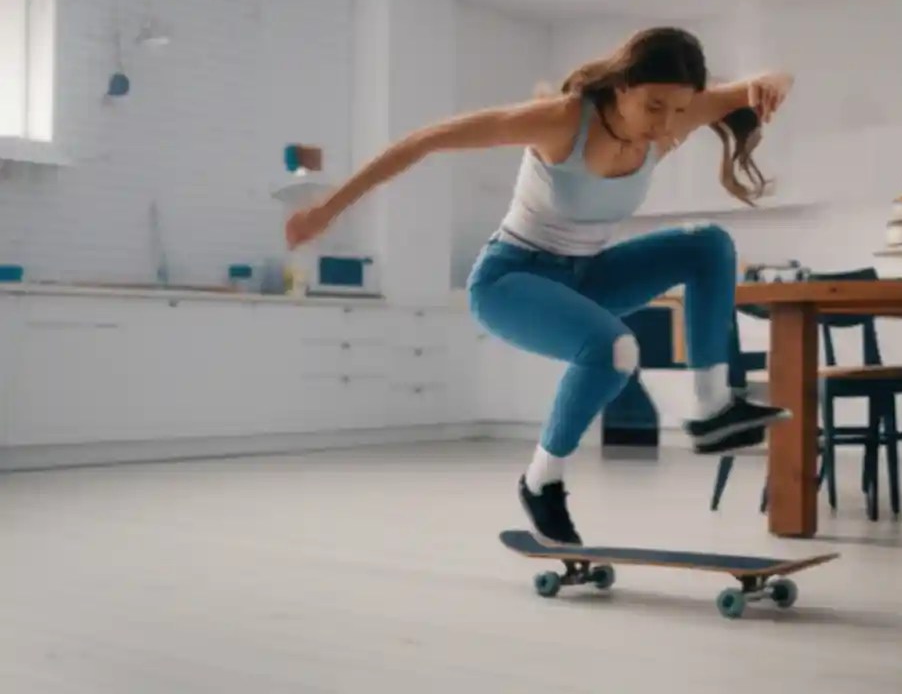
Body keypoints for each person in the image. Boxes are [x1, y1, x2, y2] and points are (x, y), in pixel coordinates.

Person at [285, 27, 793, 546]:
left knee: (708, 243)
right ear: (621, 87)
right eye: (653, 107)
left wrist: (771, 81)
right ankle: (541, 480)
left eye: (677, 111)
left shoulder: (672, 115)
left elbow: (771, 81)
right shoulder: (561, 121)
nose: (664, 125)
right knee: (615, 349)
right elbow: (425, 141)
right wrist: (328, 210)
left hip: (585, 275)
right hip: (512, 279)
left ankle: (710, 409)